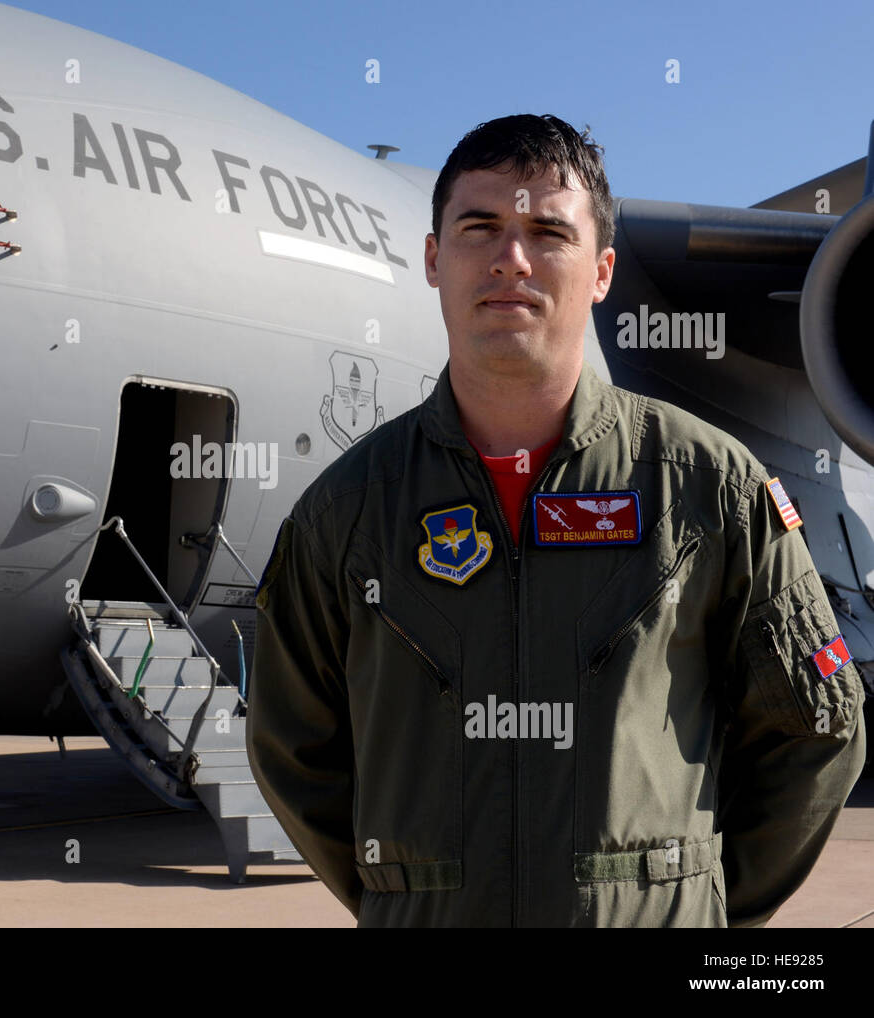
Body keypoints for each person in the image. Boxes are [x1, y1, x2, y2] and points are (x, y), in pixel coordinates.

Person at [245, 113, 866, 927]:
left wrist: (686, 905)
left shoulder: (709, 488)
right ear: (434, 260)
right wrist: (412, 898)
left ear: (602, 270)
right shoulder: (349, 511)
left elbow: (815, 730)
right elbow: (295, 753)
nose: (511, 257)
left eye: (547, 231)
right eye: (480, 227)